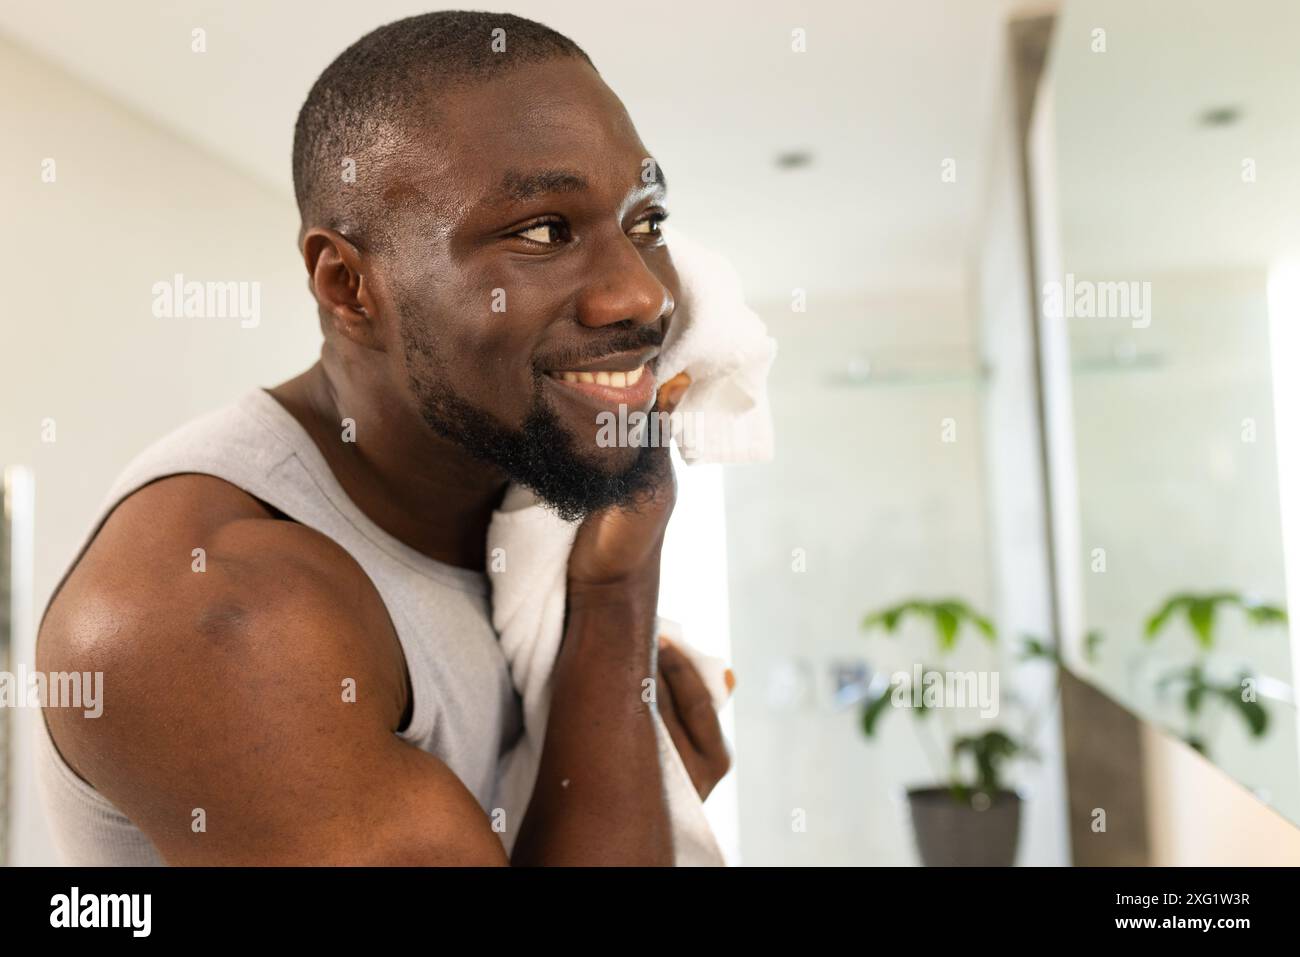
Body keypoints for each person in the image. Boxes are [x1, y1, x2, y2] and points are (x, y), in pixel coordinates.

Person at [35, 10, 730, 866]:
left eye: (645, 222)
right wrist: (619, 615)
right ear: (349, 285)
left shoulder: (515, 496)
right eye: (544, 231)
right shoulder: (228, 614)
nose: (643, 295)